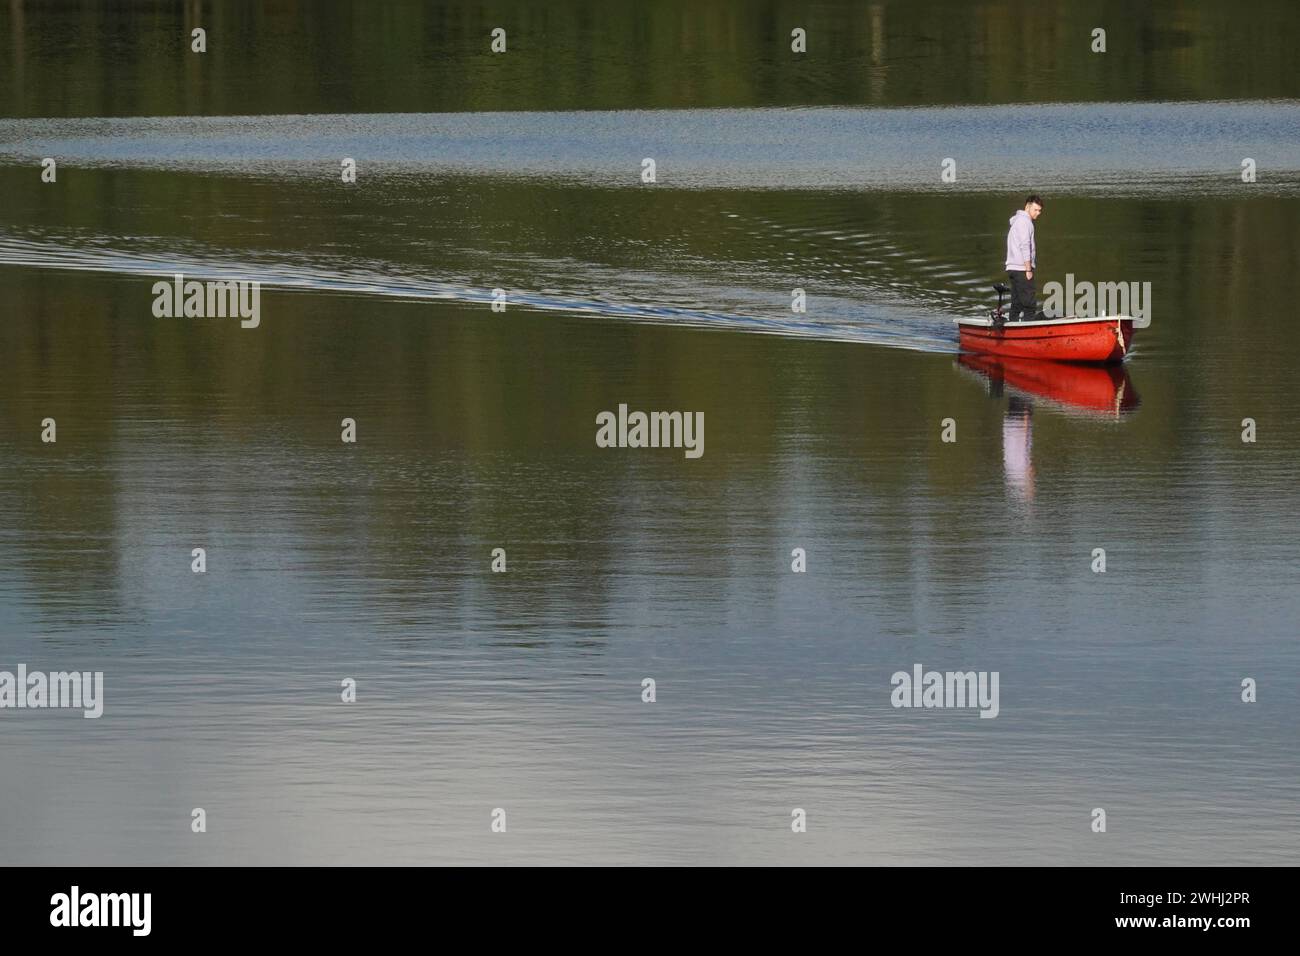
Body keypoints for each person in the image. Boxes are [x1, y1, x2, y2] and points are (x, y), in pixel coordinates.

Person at [1005, 195, 1045, 321]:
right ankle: (1030, 332)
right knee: (1029, 304)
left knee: (1016, 303)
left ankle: (1011, 330)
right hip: (1022, 268)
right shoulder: (1024, 222)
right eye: (1035, 210)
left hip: (1012, 268)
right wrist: (1028, 269)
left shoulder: (1017, 221)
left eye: (1039, 211)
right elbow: (1025, 246)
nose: (1038, 213)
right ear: (1027, 206)